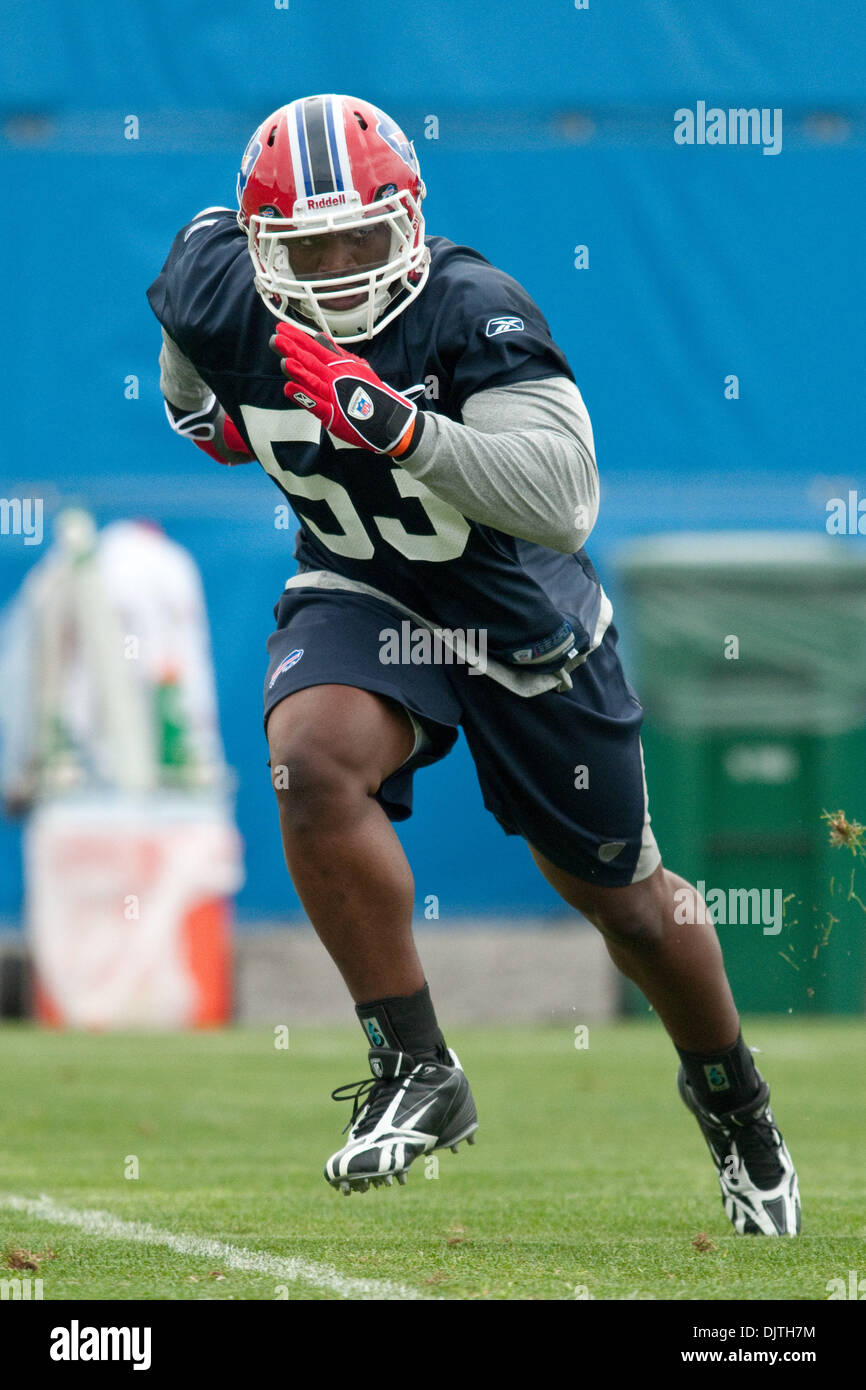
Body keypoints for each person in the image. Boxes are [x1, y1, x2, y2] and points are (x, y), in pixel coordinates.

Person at [147, 93, 800, 1232]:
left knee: (628, 908)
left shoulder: (470, 309)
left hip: (520, 620)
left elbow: (562, 499)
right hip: (365, 581)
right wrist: (238, 416)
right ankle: (413, 1064)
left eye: (364, 239)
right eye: (312, 248)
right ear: (262, 250)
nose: (344, 270)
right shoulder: (215, 284)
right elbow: (191, 389)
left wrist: (401, 430)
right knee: (310, 755)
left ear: (410, 220)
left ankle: (734, 1103)